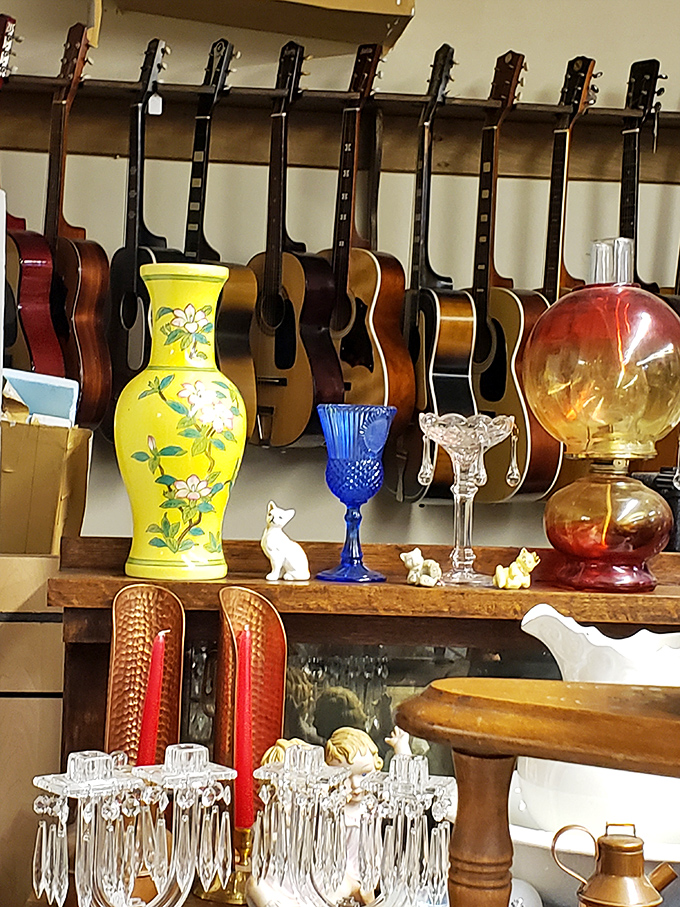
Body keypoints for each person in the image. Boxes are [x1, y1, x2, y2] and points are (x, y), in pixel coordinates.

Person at [324, 727, 383, 905]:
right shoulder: (335, 811)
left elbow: (407, 786)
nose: (355, 784)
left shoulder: (375, 804)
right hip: (345, 875)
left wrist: (402, 747)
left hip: (372, 874)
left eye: (364, 774)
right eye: (345, 777)